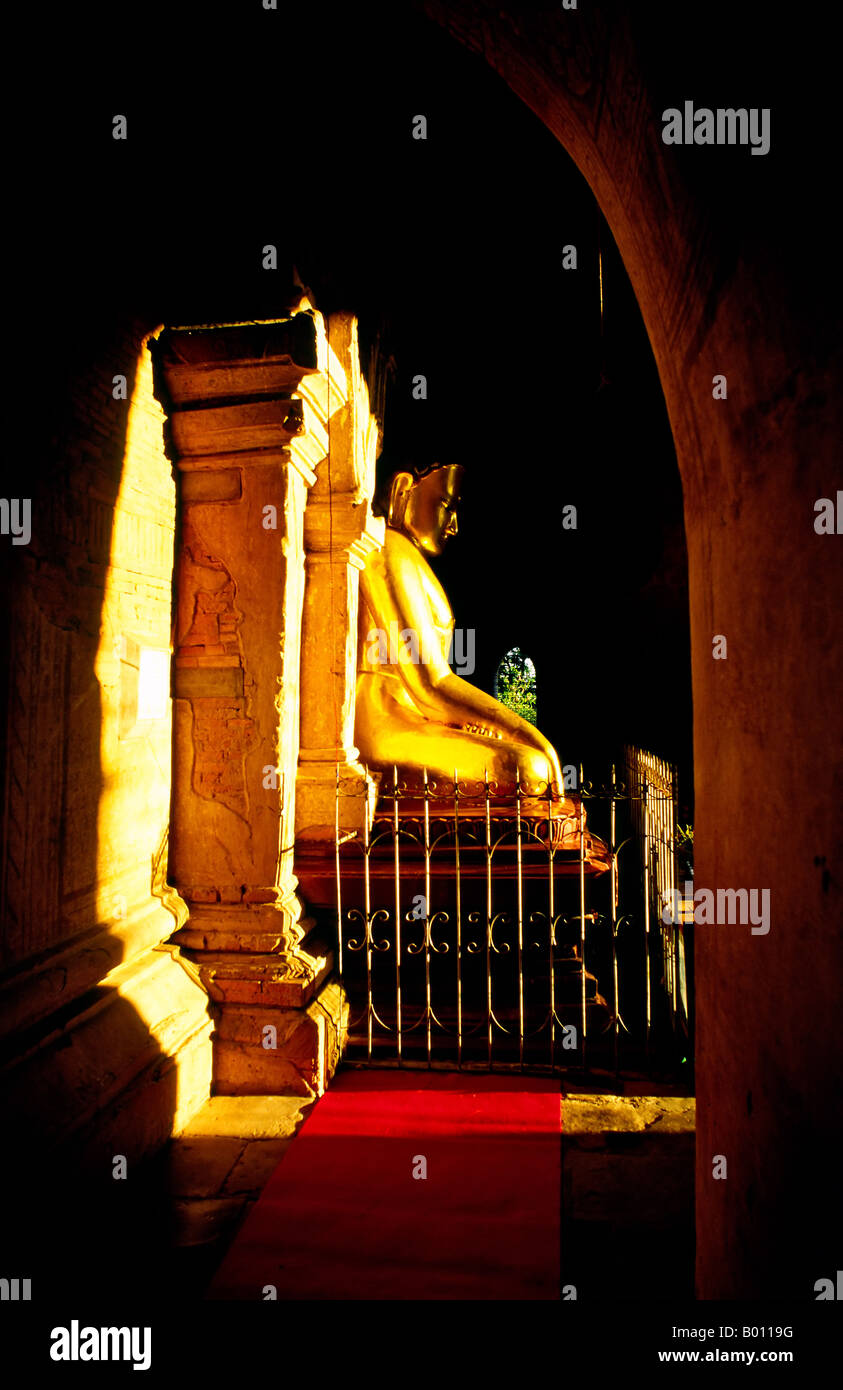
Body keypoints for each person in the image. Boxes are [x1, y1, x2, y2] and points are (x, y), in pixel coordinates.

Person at [355, 460, 570, 800]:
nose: (453, 524)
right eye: (446, 505)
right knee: (527, 768)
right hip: (381, 725)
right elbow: (432, 684)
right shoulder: (386, 549)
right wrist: (530, 735)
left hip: (417, 717)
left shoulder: (408, 557)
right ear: (401, 490)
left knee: (525, 763)